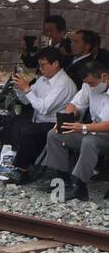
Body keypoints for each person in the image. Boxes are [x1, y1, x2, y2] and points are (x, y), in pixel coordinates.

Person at [0, 47, 77, 184]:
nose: (40, 68)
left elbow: (43, 108)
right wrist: (19, 88)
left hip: (55, 123)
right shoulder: (43, 79)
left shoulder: (63, 84)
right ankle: (8, 161)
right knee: (10, 121)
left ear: (55, 64)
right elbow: (26, 100)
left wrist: (26, 88)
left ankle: (21, 170)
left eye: (43, 65)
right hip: (38, 119)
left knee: (29, 131)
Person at [43, 61, 109, 202]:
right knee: (55, 134)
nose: (90, 86)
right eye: (87, 83)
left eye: (92, 83)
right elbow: (74, 104)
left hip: (104, 133)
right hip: (93, 129)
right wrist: (66, 120)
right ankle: (62, 178)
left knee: (89, 141)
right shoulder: (87, 86)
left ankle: (80, 186)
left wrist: (84, 127)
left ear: (104, 76)